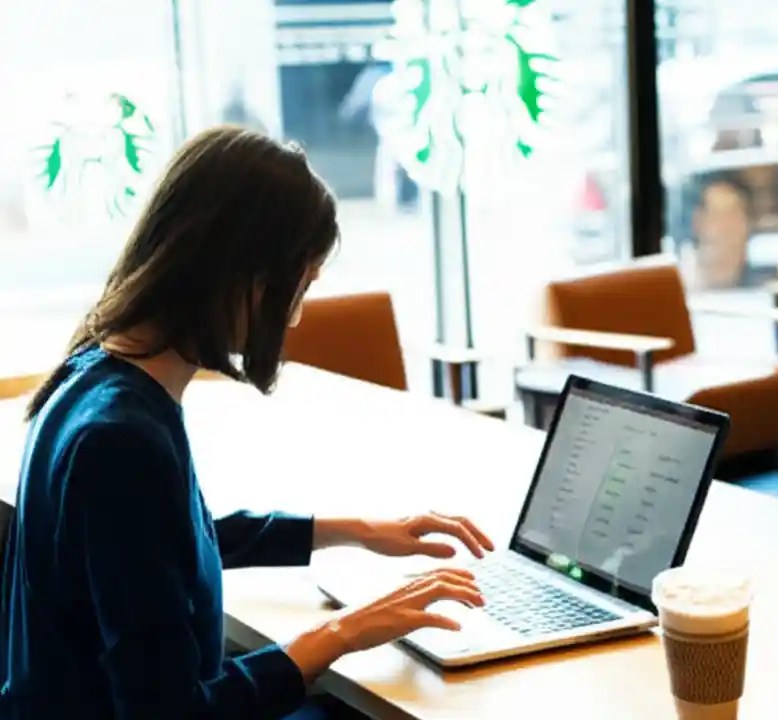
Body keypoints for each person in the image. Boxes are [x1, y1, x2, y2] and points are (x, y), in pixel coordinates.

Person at [0, 126, 495, 719]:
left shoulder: (96, 371)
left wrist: (353, 529)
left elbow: (164, 546)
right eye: (300, 286)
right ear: (247, 279)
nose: (296, 316)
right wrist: (343, 632)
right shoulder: (121, 441)